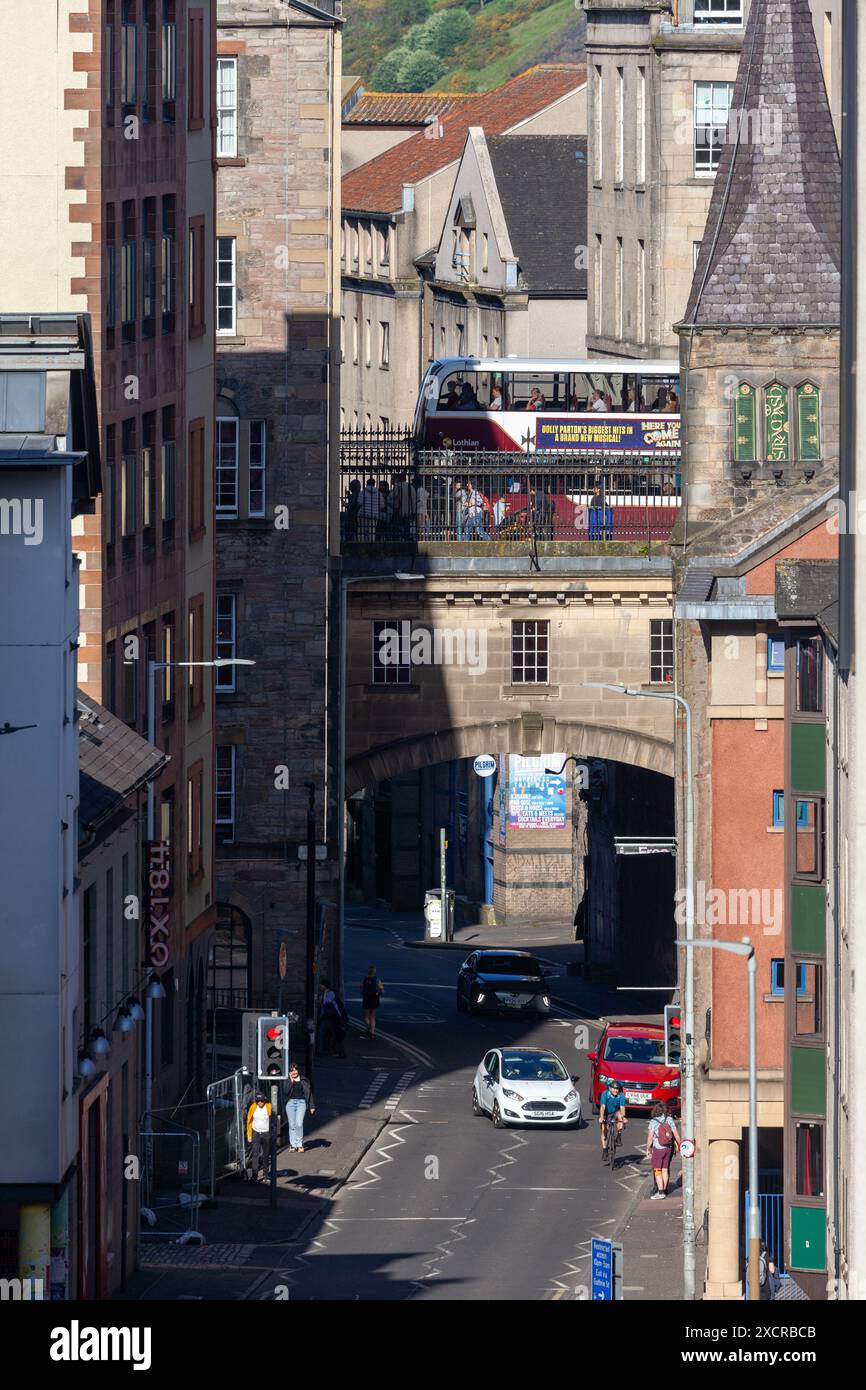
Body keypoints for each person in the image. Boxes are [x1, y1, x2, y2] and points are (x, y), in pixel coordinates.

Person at [646, 1102, 680, 1199]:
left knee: (657, 1170)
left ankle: (660, 1192)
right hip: (668, 1148)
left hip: (658, 1148)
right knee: (665, 1169)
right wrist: (680, 1143)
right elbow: (676, 1134)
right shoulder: (669, 1119)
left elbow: (650, 1137)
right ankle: (664, 1190)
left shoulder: (653, 1122)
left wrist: (648, 1148)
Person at [285, 1062, 315, 1153]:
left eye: (295, 1070)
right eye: (292, 1070)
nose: (294, 1072)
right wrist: (290, 1080)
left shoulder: (304, 1080)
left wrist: (311, 1106)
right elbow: (285, 1091)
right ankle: (293, 1145)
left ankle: (299, 1144)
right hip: (290, 1104)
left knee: (299, 1124)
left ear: (298, 1070)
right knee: (292, 1125)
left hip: (301, 1103)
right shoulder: (287, 1080)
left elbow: (309, 1093)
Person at [246, 1091, 273, 1182]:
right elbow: (249, 1121)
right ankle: (254, 1176)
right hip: (256, 1132)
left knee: (266, 1154)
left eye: (261, 1101)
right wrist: (249, 1134)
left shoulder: (269, 1107)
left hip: (266, 1133)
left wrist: (273, 1133)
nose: (259, 1103)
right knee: (255, 1154)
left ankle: (266, 1175)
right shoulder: (253, 1107)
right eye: (257, 1101)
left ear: (264, 1100)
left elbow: (274, 1120)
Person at [317, 978, 348, 1058]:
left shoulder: (331, 993)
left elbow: (325, 1002)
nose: (320, 987)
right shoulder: (324, 993)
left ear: (325, 986)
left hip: (333, 1018)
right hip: (326, 1018)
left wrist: (321, 997)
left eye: (321, 985)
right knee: (321, 1033)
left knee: (336, 1035)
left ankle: (341, 1053)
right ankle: (320, 1051)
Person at [598, 1079, 627, 1158]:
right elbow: (602, 1107)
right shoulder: (605, 1094)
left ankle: (619, 1137)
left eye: (617, 1089)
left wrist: (623, 1117)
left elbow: (622, 1107)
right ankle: (605, 1150)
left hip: (615, 1112)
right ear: (610, 1088)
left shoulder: (621, 1095)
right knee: (605, 1130)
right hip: (606, 1113)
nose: (616, 1090)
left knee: (621, 1116)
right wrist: (601, 1117)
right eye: (614, 1089)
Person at [361, 964, 385, 1037]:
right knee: (373, 1016)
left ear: (368, 972)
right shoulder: (378, 980)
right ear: (375, 972)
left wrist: (364, 993)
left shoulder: (364, 979)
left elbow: (361, 989)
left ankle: (368, 1026)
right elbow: (382, 991)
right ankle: (372, 1032)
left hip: (367, 999)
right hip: (375, 999)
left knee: (366, 1016)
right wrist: (380, 994)